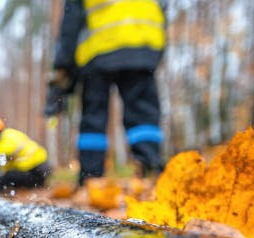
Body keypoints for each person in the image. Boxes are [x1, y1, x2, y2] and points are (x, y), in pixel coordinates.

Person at [49, 0, 166, 183]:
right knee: (143, 112)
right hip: (143, 44)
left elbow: (71, 22)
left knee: (93, 117)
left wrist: (62, 65)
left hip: (98, 50)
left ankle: (91, 179)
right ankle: (150, 172)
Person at [0, 115, 50, 192]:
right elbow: (5, 162)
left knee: (5, 178)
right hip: (43, 169)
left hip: (35, 172)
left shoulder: (1, 144)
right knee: (7, 175)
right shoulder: (11, 133)